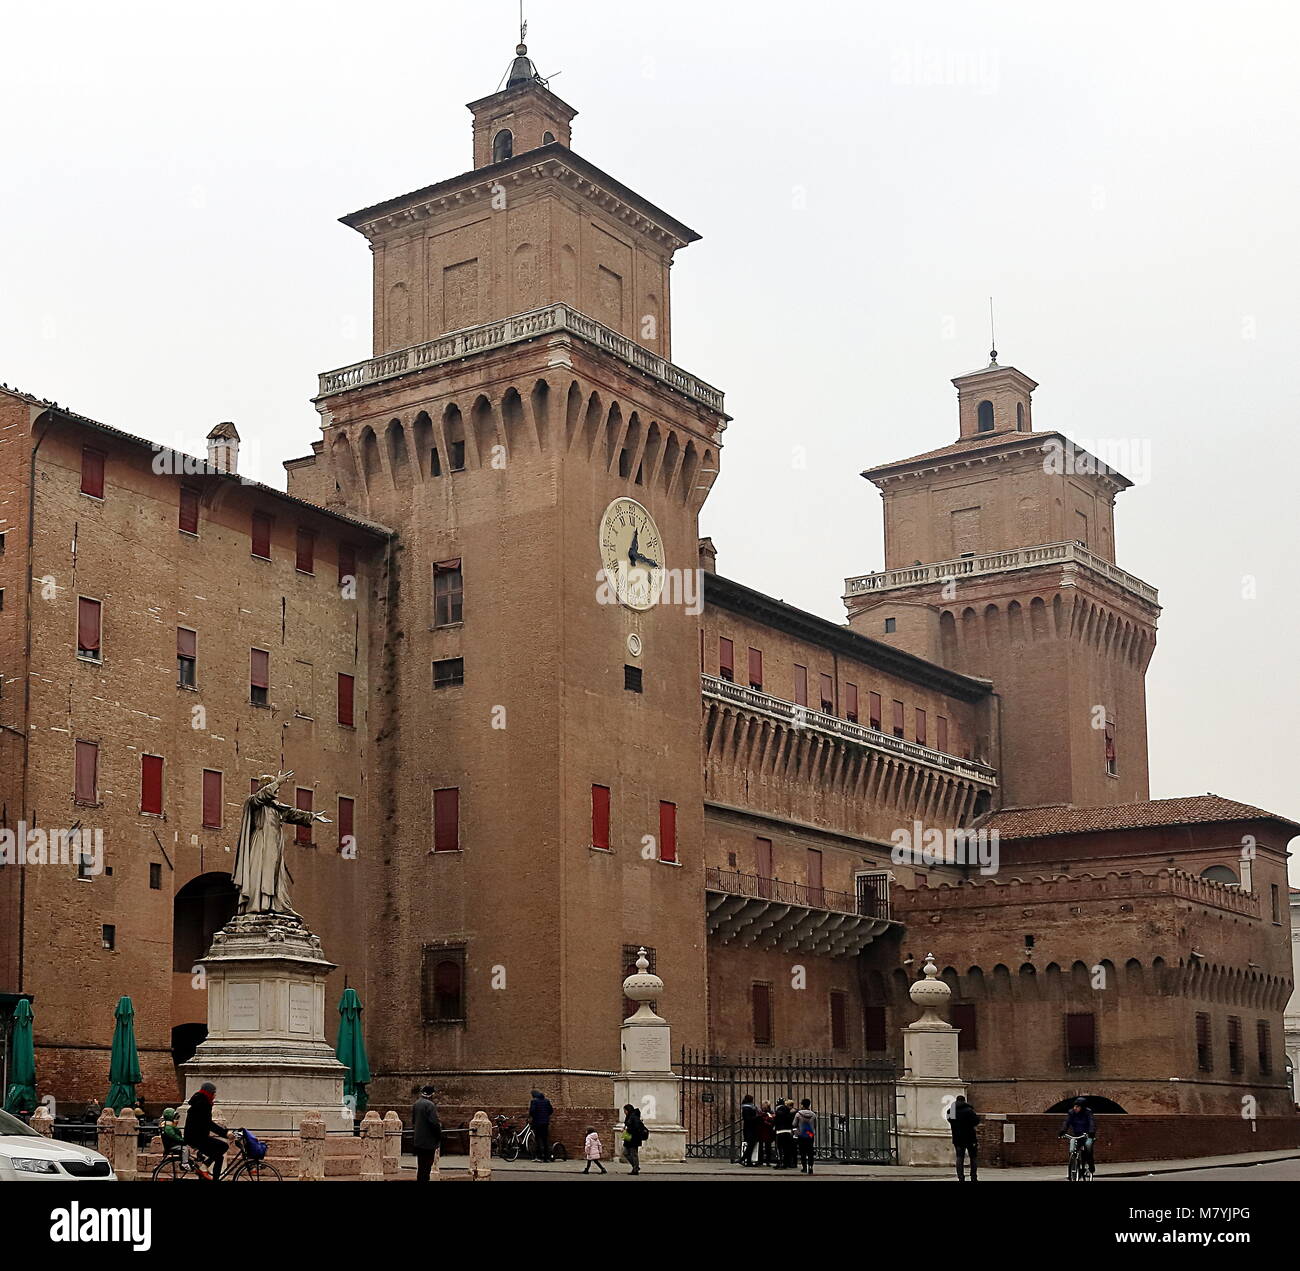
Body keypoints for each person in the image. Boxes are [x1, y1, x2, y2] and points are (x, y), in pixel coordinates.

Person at [183, 1082, 228, 1180]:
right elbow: (208, 1124)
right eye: (214, 1093)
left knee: (218, 1155)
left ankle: (203, 1166)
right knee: (224, 1146)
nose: (215, 1095)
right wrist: (225, 1133)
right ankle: (204, 1168)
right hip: (197, 1138)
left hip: (193, 1136)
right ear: (209, 1093)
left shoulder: (199, 1101)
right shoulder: (204, 1104)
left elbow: (205, 1123)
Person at [411, 1086, 442, 1182]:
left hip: (418, 1140)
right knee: (427, 1166)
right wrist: (439, 1136)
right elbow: (434, 1123)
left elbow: (413, 1121)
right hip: (428, 1142)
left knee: (421, 1166)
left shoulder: (416, 1104)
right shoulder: (430, 1105)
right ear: (431, 1094)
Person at [948, 1094, 981, 1182]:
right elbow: (976, 1121)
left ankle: (961, 1178)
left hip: (957, 1138)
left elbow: (950, 1120)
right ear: (964, 1101)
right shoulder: (969, 1111)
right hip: (970, 1137)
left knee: (959, 1157)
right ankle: (973, 1177)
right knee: (973, 1157)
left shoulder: (951, 1111)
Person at [1059, 1100, 1097, 1174]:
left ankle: (1091, 1165)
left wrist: (1091, 1132)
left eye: (1077, 1106)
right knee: (1072, 1148)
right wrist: (1063, 1131)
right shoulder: (1071, 1112)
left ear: (1082, 1107)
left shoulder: (1088, 1112)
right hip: (1076, 1134)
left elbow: (1092, 1122)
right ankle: (1073, 1169)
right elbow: (1066, 1122)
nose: (1075, 1108)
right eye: (1074, 1106)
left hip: (1087, 1134)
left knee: (1088, 1146)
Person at [621, 1104, 648, 1174]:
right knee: (625, 1152)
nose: (624, 1112)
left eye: (625, 1110)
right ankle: (635, 1166)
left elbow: (636, 1128)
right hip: (628, 1136)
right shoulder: (629, 1116)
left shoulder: (634, 1117)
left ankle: (635, 1169)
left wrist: (628, 1128)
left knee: (634, 1153)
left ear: (628, 1110)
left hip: (634, 1138)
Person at [528, 1089, 554, 1162]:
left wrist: (532, 1117)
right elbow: (551, 1110)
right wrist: (546, 1116)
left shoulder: (534, 1101)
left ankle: (538, 1156)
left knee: (537, 1140)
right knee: (545, 1140)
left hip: (537, 1123)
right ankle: (546, 1158)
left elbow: (532, 1111)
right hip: (545, 1123)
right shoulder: (546, 1101)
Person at [794, 1098, 817, 1174]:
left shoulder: (798, 1114)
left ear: (802, 1105)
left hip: (801, 1134)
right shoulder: (813, 1114)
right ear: (809, 1105)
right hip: (810, 1134)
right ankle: (811, 1167)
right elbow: (815, 1125)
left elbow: (794, 1124)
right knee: (810, 1151)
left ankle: (804, 1167)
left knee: (802, 1151)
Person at [772, 1098, 796, 1169]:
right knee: (786, 1148)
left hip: (780, 1131)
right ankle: (786, 1163)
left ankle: (779, 1163)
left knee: (779, 1149)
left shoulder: (777, 1112)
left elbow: (775, 1122)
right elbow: (791, 1121)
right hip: (788, 1131)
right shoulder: (789, 1111)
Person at [739, 1094, 759, 1166]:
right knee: (751, 1145)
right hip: (750, 1129)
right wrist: (756, 1117)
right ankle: (743, 1158)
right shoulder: (747, 1108)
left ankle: (748, 1161)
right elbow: (747, 1119)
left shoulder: (749, 1107)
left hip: (750, 1128)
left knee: (751, 1145)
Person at [756, 1100, 776, 1165]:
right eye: (764, 1106)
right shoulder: (760, 1112)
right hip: (762, 1130)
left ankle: (767, 1161)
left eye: (766, 1106)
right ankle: (761, 1160)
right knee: (761, 1147)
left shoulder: (770, 1112)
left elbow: (773, 1121)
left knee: (767, 1147)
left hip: (767, 1130)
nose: (765, 1108)